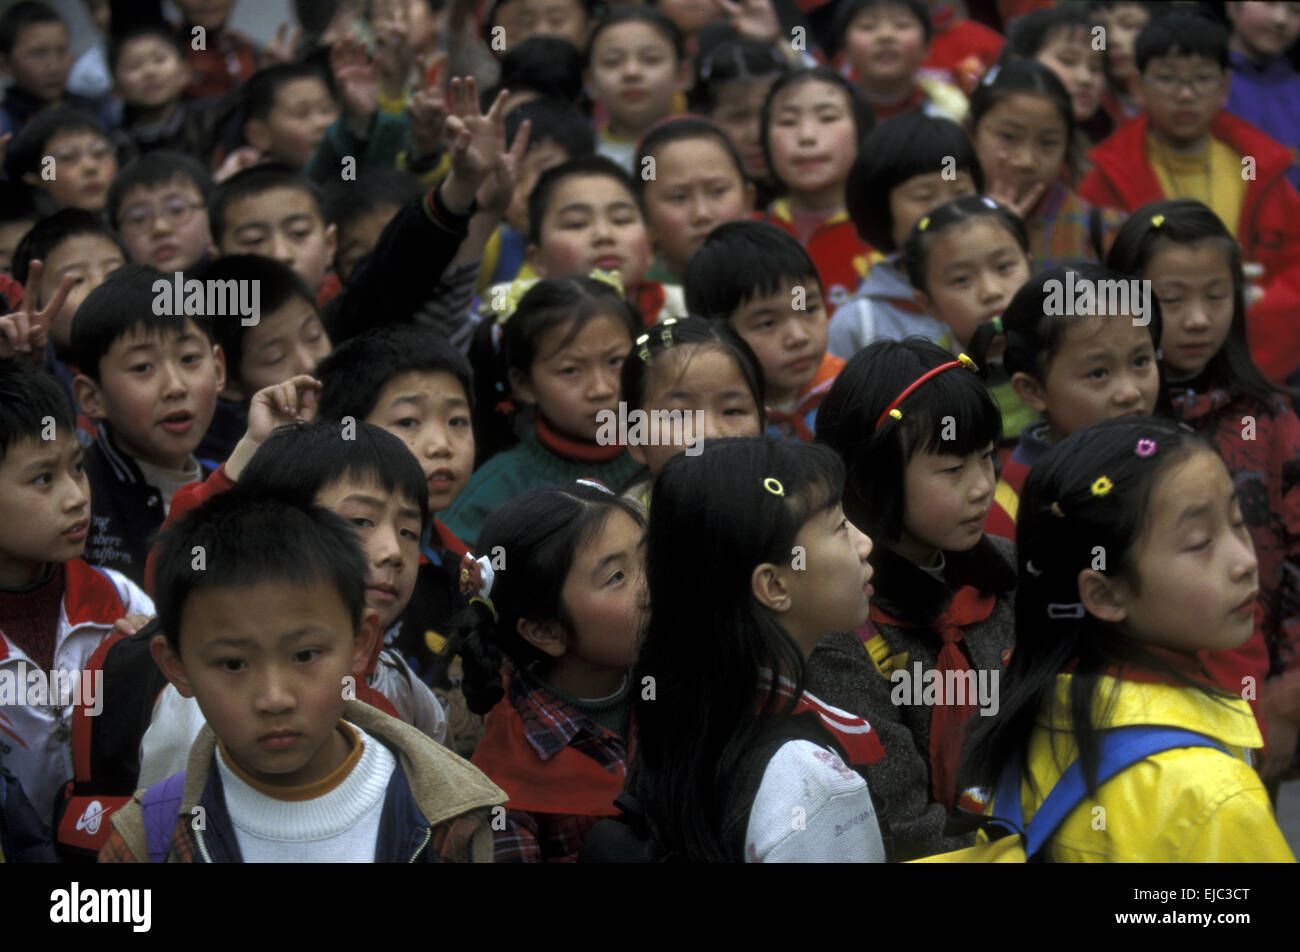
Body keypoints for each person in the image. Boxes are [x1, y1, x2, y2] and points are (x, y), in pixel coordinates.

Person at [100, 489, 506, 862]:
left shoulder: (449, 820)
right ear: (176, 666)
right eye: (233, 664)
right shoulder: (147, 841)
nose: (275, 698)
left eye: (305, 654)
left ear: (361, 645)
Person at [960, 416, 1295, 861]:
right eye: (1199, 542)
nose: (1245, 561)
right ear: (1104, 592)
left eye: (1237, 521)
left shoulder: (1030, 712)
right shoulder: (1214, 798)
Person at [618, 436, 886, 862]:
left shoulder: (678, 701)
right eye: (839, 527)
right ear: (774, 585)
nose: (865, 542)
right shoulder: (811, 785)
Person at [1106, 200, 1300, 781]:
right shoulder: (1117, 419)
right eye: (1171, 299)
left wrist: (1288, 684)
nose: (1195, 319)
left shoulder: (1268, 416)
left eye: (1216, 296)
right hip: (1135, 691)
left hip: (1255, 685)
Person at [809, 337, 1014, 862]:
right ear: (873, 478)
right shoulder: (841, 624)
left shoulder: (1009, 575)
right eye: (952, 470)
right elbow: (900, 823)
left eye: (987, 457)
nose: (982, 487)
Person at [0, 357, 153, 827]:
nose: (76, 497)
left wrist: (150, 659)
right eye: (44, 478)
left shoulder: (119, 601)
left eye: (78, 468)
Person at [455, 482, 645, 860]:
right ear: (546, 631)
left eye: (649, 559)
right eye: (617, 577)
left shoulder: (679, 684)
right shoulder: (505, 795)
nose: (652, 588)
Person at [445, 275, 643, 546]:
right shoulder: (494, 494)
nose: (602, 388)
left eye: (616, 361)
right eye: (570, 370)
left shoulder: (664, 455)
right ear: (524, 384)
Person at [979, 264, 1164, 540]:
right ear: (1032, 390)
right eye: (1098, 373)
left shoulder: (1176, 465)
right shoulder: (1008, 513)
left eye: (1141, 362)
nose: (1130, 392)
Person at [68, 265, 225, 587]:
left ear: (219, 369)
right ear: (91, 396)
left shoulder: (231, 486)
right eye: (142, 367)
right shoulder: (77, 499)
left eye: (190, 358)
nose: (175, 386)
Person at [830, 110, 980, 357]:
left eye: (960, 192)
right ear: (882, 212)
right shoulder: (857, 324)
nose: (947, 211)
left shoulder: (1000, 296)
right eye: (924, 196)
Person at [685, 220, 840, 443]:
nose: (798, 337)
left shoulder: (847, 392)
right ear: (716, 334)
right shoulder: (712, 430)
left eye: (809, 309)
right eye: (767, 323)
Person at [897, 195, 1036, 442]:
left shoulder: (1068, 352)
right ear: (928, 303)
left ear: (1029, 263)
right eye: (961, 279)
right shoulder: (927, 385)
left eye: (1004, 267)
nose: (991, 291)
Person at [967, 60, 1125, 271]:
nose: (1027, 161)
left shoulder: (1104, 231)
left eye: (1048, 143)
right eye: (1009, 137)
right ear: (971, 132)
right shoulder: (942, 225)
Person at [756, 67, 875, 311]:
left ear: (861, 130)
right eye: (788, 121)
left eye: (828, 118)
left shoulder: (886, 238)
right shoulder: (748, 238)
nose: (806, 136)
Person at [615, 315, 765, 508]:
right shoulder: (619, 534)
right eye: (680, 415)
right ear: (635, 441)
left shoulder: (794, 517)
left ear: (764, 425)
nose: (710, 434)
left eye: (732, 411)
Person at [634, 117, 754, 283]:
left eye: (718, 191)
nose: (702, 213)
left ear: (748, 201)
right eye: (678, 197)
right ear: (645, 215)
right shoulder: (635, 301)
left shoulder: (783, 284)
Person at [584, 7, 690, 170]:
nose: (631, 72)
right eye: (612, 61)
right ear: (590, 82)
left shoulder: (708, 149)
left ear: (682, 74)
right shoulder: (581, 155)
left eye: (650, 59)